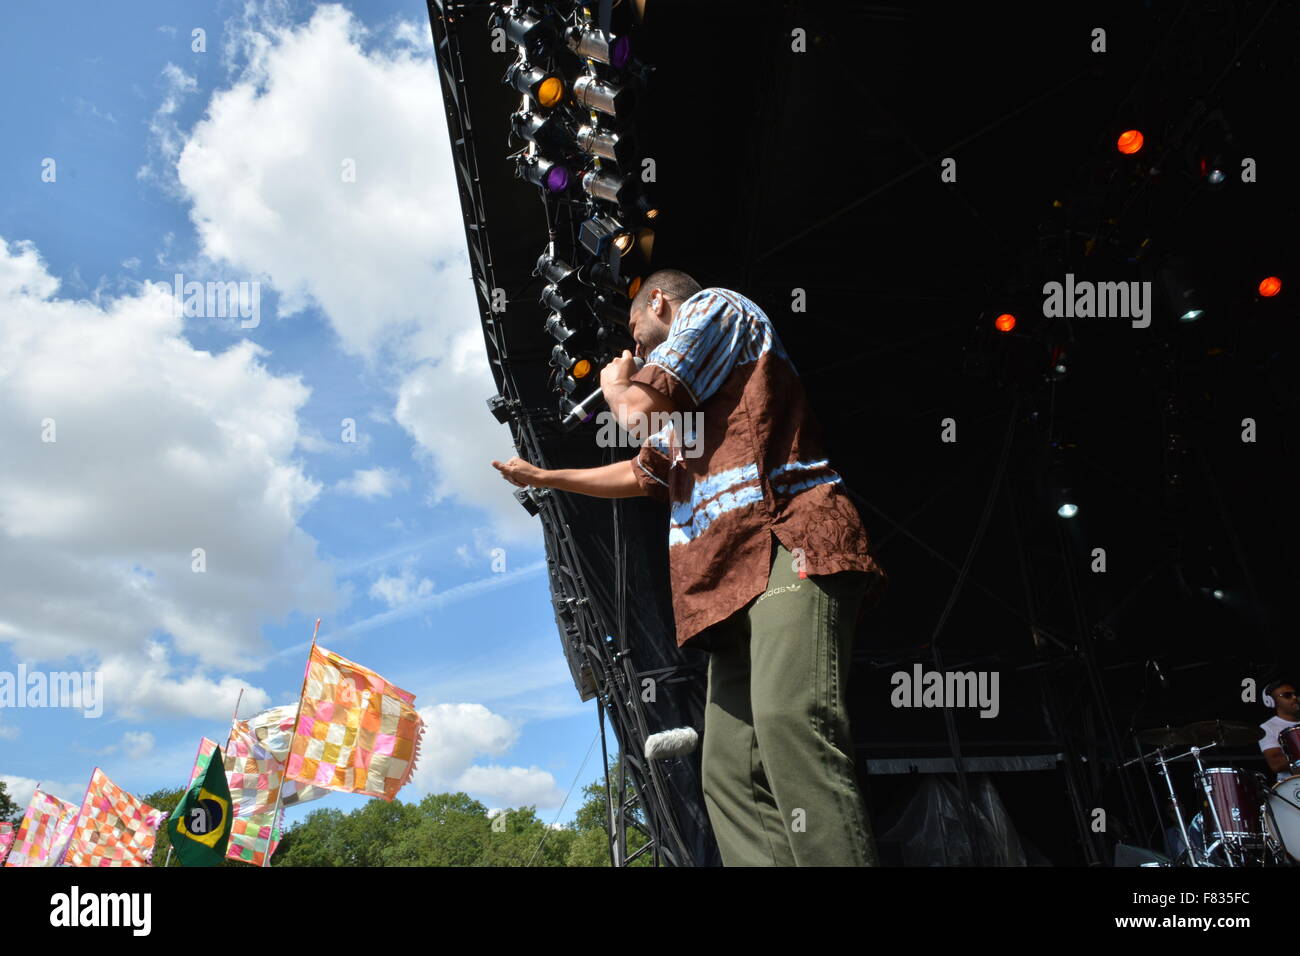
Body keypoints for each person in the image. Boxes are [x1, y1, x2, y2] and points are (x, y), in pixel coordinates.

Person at [492, 270, 887, 866]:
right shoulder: (685, 413)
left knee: (788, 721)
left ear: (659, 301)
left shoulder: (714, 309)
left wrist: (618, 383)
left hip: (786, 539)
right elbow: (640, 471)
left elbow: (638, 413)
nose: (638, 344)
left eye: (636, 330)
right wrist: (547, 479)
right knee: (728, 773)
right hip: (728, 579)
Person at [1259, 679, 1300, 782]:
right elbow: (1276, 764)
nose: (1294, 698)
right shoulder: (1268, 727)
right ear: (1272, 701)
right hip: (1292, 786)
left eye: (1295, 694)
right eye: (1287, 695)